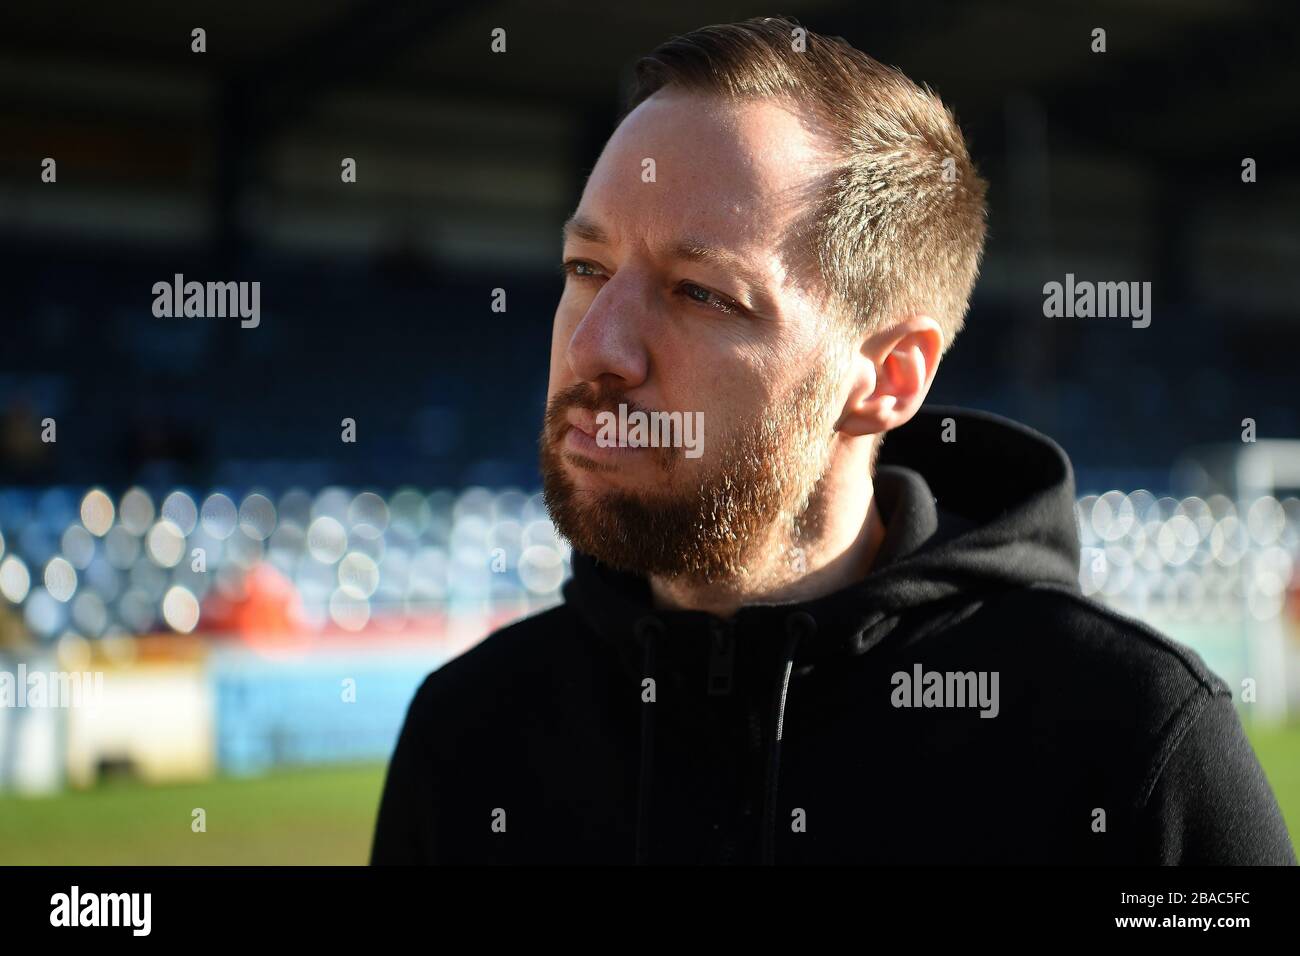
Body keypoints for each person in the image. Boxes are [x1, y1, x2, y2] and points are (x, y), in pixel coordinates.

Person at [371, 16, 1294, 864]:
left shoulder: (1130, 742)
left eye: (702, 293)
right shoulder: (471, 732)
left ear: (889, 377)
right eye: (586, 267)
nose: (594, 345)